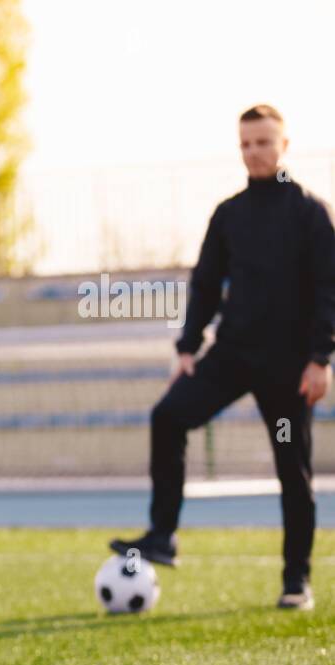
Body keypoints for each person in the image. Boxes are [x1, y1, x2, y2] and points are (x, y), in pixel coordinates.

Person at [112, 105, 334, 610]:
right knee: (168, 417)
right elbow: (206, 284)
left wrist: (320, 357)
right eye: (246, 145)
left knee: (291, 469)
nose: (254, 152)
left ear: (284, 145)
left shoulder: (310, 214)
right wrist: (189, 347)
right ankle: (162, 535)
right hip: (232, 355)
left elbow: (328, 290)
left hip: (288, 366)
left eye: (263, 142)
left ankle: (295, 580)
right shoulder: (229, 214)